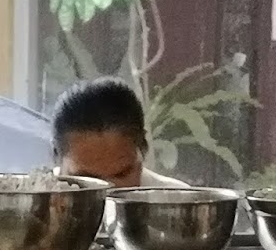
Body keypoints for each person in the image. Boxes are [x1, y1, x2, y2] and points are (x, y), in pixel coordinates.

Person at [51, 76, 185, 189]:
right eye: (87, 179)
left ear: (143, 148)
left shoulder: (179, 204)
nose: (106, 192)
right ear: (56, 157)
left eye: (122, 174)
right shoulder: (34, 208)